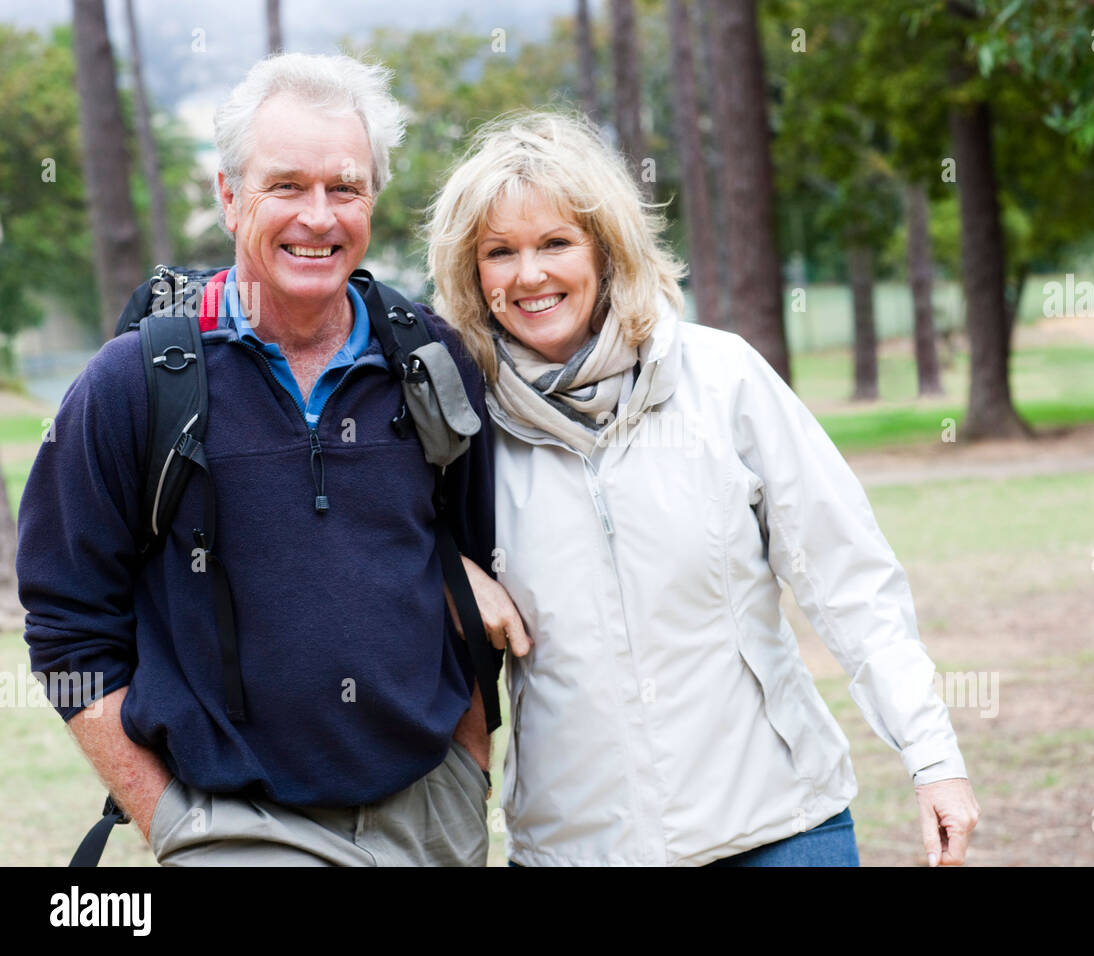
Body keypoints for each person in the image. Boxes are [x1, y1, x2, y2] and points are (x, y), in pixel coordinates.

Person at [423, 111, 981, 867]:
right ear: (471, 271)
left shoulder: (725, 379)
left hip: (781, 826)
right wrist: (447, 570)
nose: (529, 275)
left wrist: (932, 757)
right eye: (500, 252)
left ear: (606, 250)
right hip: (577, 848)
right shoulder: (463, 426)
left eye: (555, 242)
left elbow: (850, 580)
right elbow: (368, 554)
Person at [18, 53, 507, 866]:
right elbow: (66, 628)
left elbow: (474, 573)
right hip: (235, 826)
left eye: (344, 188)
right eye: (286, 186)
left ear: (371, 201)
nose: (318, 217)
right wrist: (167, 814)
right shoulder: (131, 385)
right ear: (228, 195)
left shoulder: (429, 357)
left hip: (428, 818)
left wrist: (468, 771)